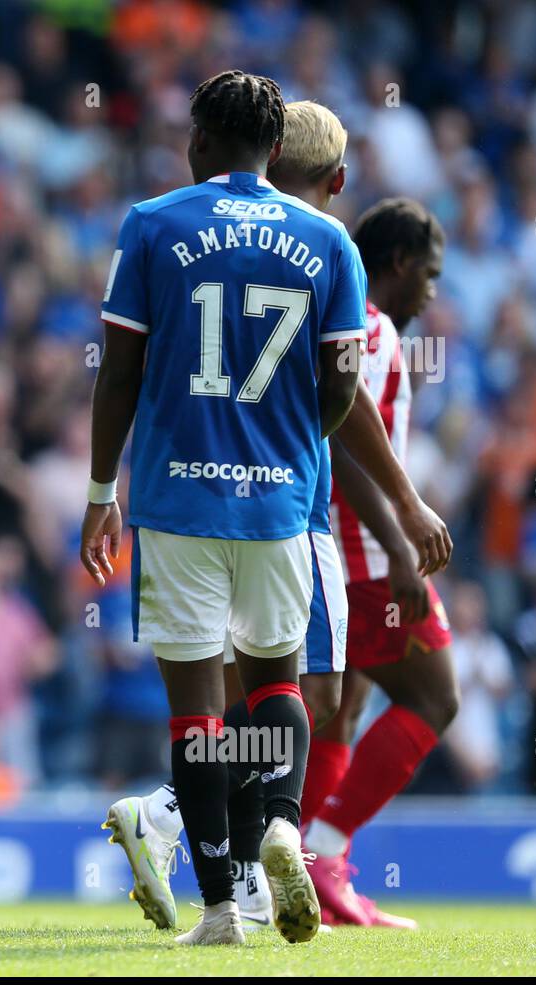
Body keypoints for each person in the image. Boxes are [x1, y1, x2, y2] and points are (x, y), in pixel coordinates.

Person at [103, 101, 452, 933]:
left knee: (254, 698)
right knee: (309, 694)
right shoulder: (336, 272)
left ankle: (232, 864)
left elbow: (124, 368)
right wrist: (404, 513)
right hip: (299, 519)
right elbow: (346, 401)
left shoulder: (174, 233)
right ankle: (263, 838)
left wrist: (104, 488)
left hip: (195, 505)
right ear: (335, 180)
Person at [82, 71, 366, 945]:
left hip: (177, 500)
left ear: (197, 140)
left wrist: (102, 491)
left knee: (199, 710)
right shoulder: (328, 240)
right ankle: (282, 819)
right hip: (280, 503)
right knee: (278, 679)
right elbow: (343, 381)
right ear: (277, 150)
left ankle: (216, 911)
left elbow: (120, 372)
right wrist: (289, 445)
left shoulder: (154, 224)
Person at [302, 197, 457, 929]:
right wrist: (399, 540)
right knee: (435, 696)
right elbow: (336, 433)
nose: (433, 289)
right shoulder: (367, 324)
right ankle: (321, 851)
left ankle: (303, 878)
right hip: (361, 549)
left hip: (343, 544)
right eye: (429, 273)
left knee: (340, 714)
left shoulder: (363, 318)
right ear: (397, 263)